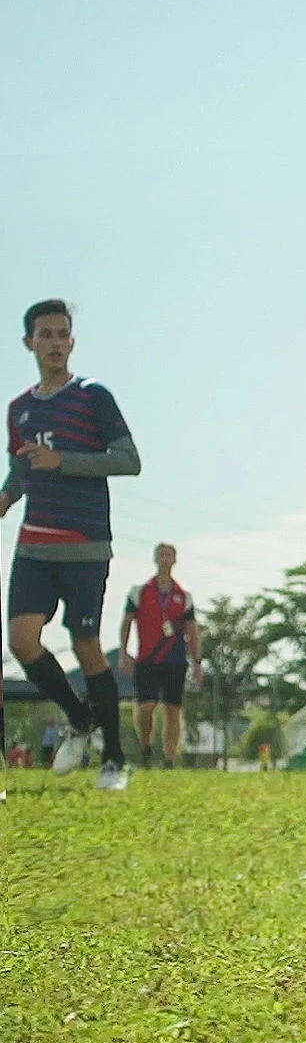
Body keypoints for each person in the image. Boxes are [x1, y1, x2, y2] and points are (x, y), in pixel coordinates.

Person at [0, 299, 143, 790]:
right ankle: (79, 720)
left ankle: (114, 761)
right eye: (46, 334)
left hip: (85, 545)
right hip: (33, 546)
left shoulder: (93, 396)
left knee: (86, 646)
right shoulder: (18, 409)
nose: (56, 342)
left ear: (72, 342)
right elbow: (22, 469)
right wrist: (4, 498)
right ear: (29, 343)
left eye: (63, 334)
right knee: (21, 642)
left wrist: (64, 462)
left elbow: (129, 460)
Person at [118, 542, 203, 769]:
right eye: (162, 554)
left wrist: (197, 661)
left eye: (169, 555)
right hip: (147, 659)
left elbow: (193, 630)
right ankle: (146, 746)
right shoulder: (140, 592)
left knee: (173, 709)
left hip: (175, 660)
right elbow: (127, 622)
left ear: (175, 560)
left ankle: (170, 757)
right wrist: (123, 652)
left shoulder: (183, 595)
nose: (165, 558)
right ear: (155, 558)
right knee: (146, 707)